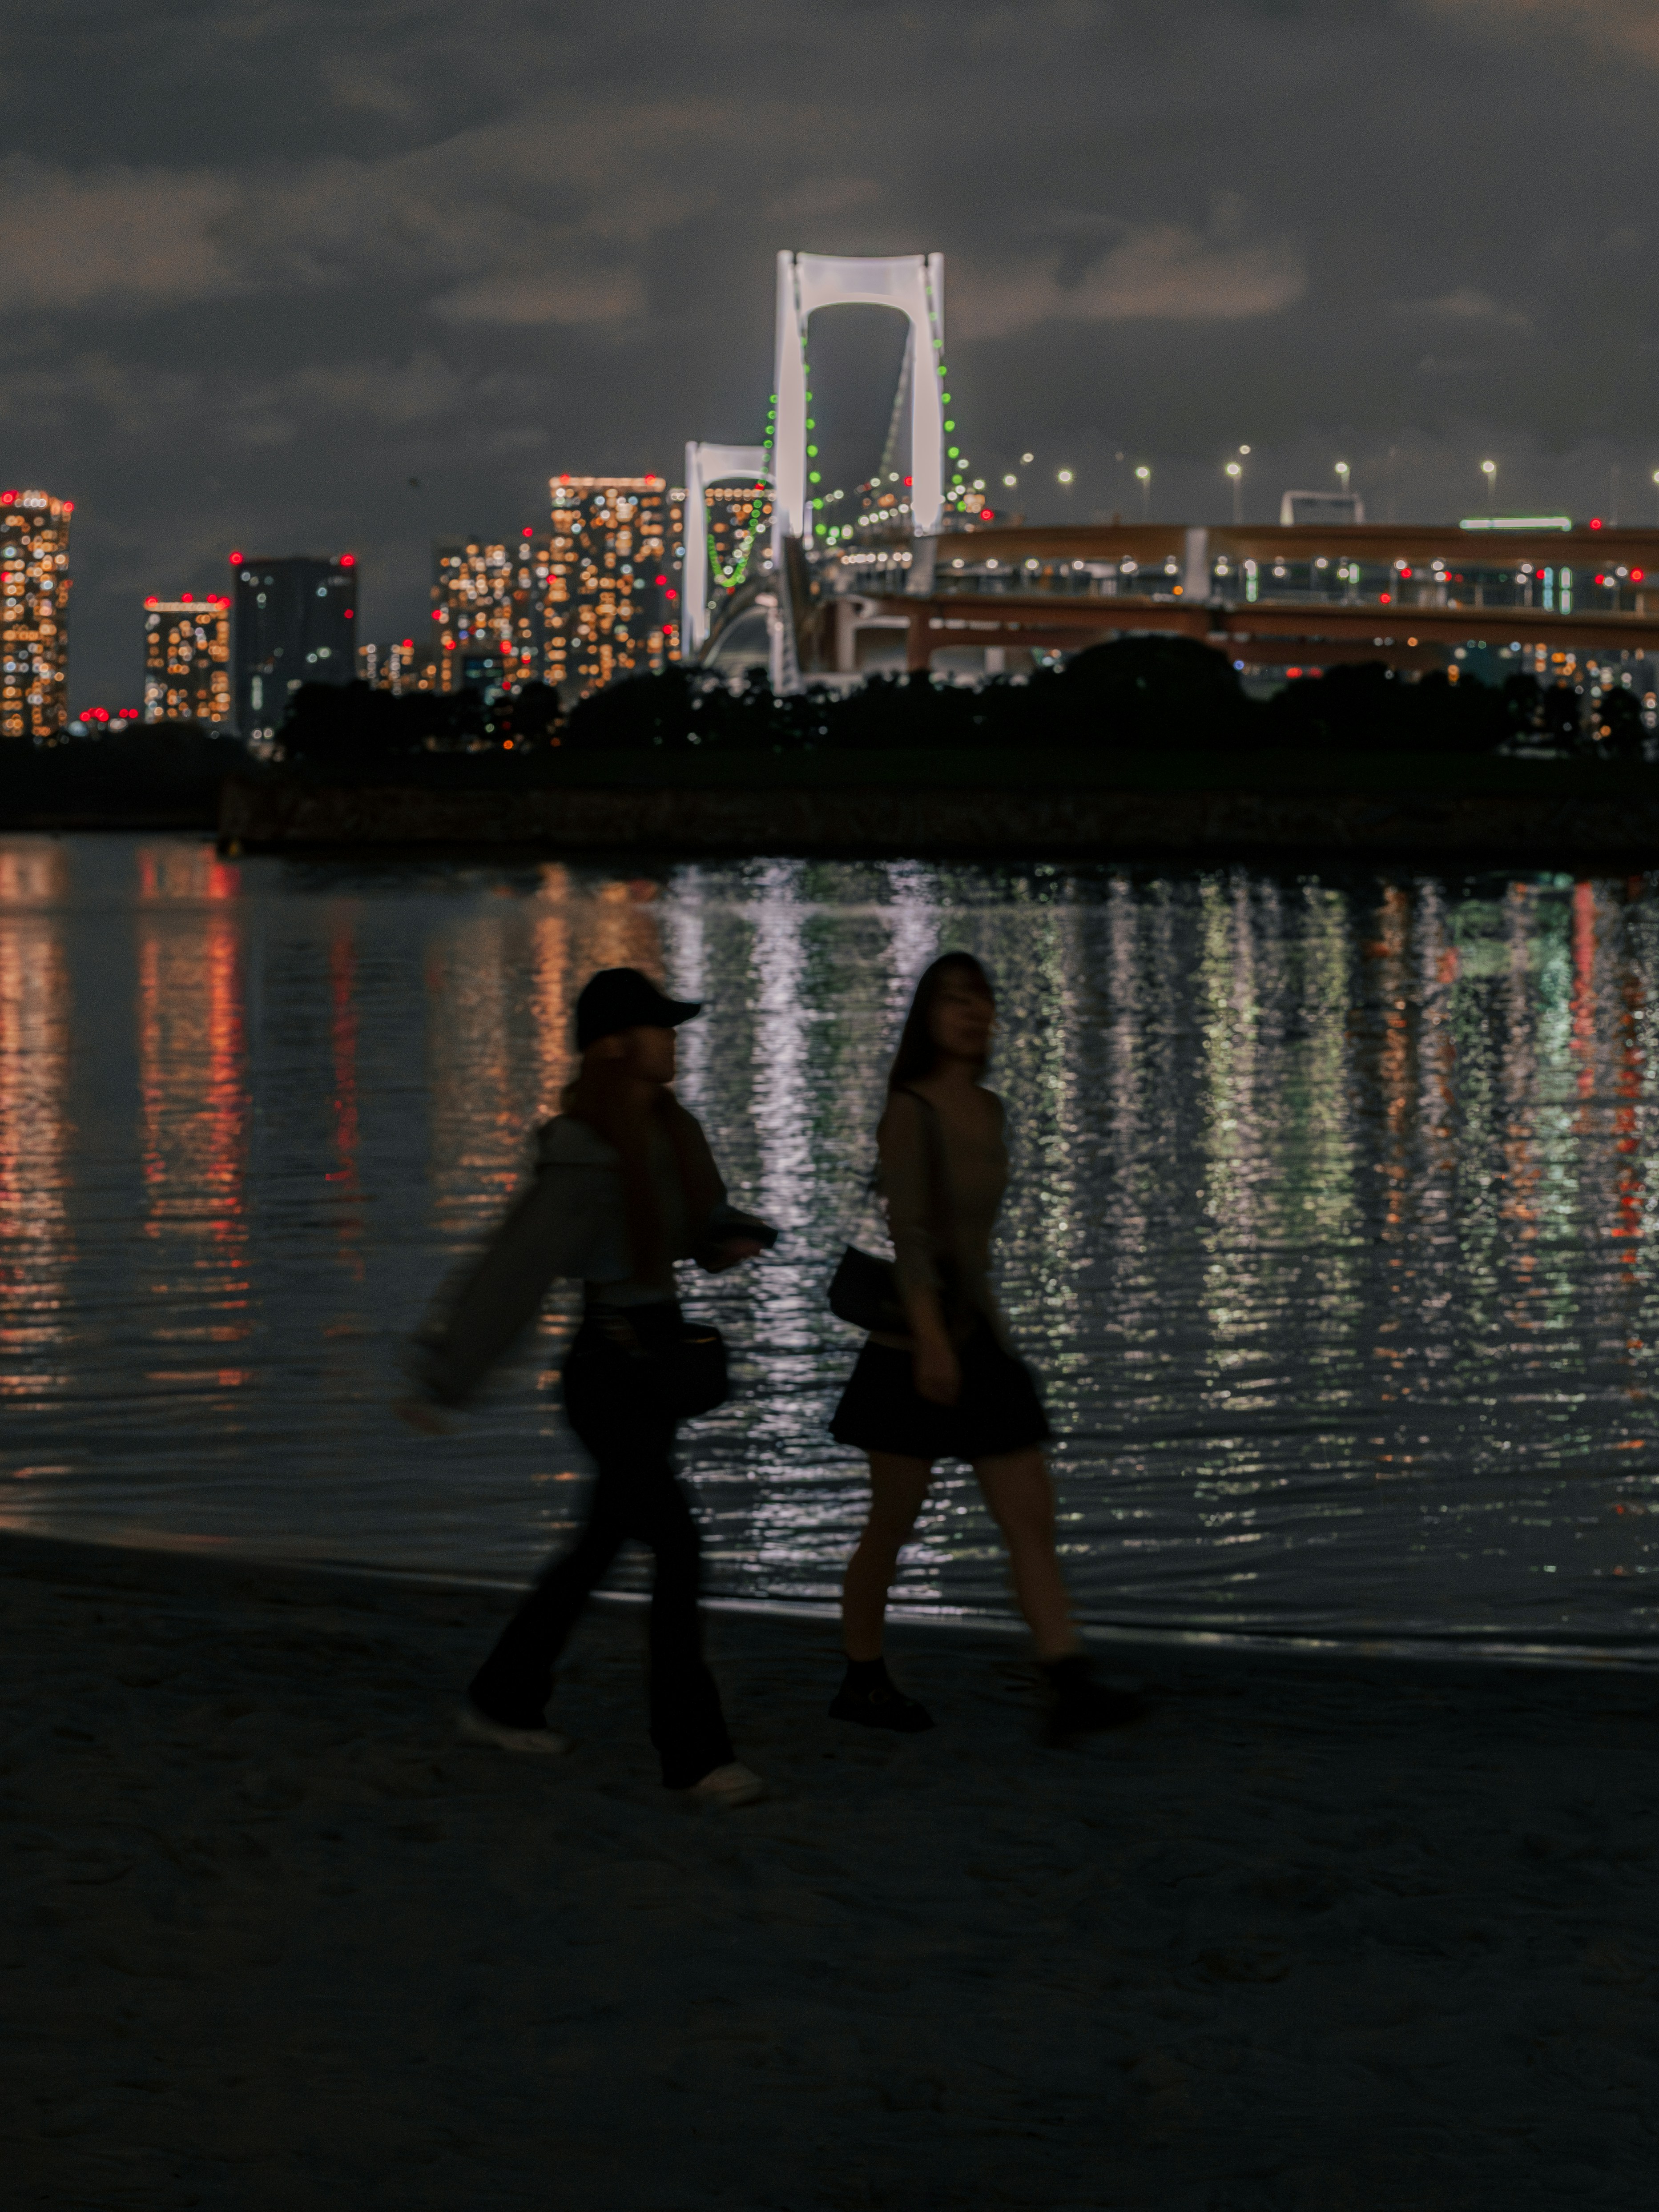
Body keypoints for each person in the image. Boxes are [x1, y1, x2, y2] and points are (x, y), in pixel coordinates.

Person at [403, 966, 773, 1808]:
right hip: (608, 1372)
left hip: (656, 1364)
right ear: (614, 1043)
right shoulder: (584, 1149)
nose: (674, 1039)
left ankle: (501, 1697)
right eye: (660, 1027)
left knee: (599, 1546)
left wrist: (725, 1240)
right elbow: (516, 1268)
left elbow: (686, 1233)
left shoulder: (672, 1131)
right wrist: (447, 1379)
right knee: (677, 1546)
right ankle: (694, 1756)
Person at [828, 952, 1143, 1740]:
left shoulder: (989, 1109)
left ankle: (1067, 1681)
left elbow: (972, 1245)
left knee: (1029, 1511)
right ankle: (861, 1678)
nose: (972, 1015)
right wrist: (933, 1343)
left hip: (977, 1337)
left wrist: (983, 1338)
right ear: (926, 1018)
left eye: (982, 1002)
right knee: (892, 1523)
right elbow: (910, 1236)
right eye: (954, 1002)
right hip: (912, 1347)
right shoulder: (911, 1110)